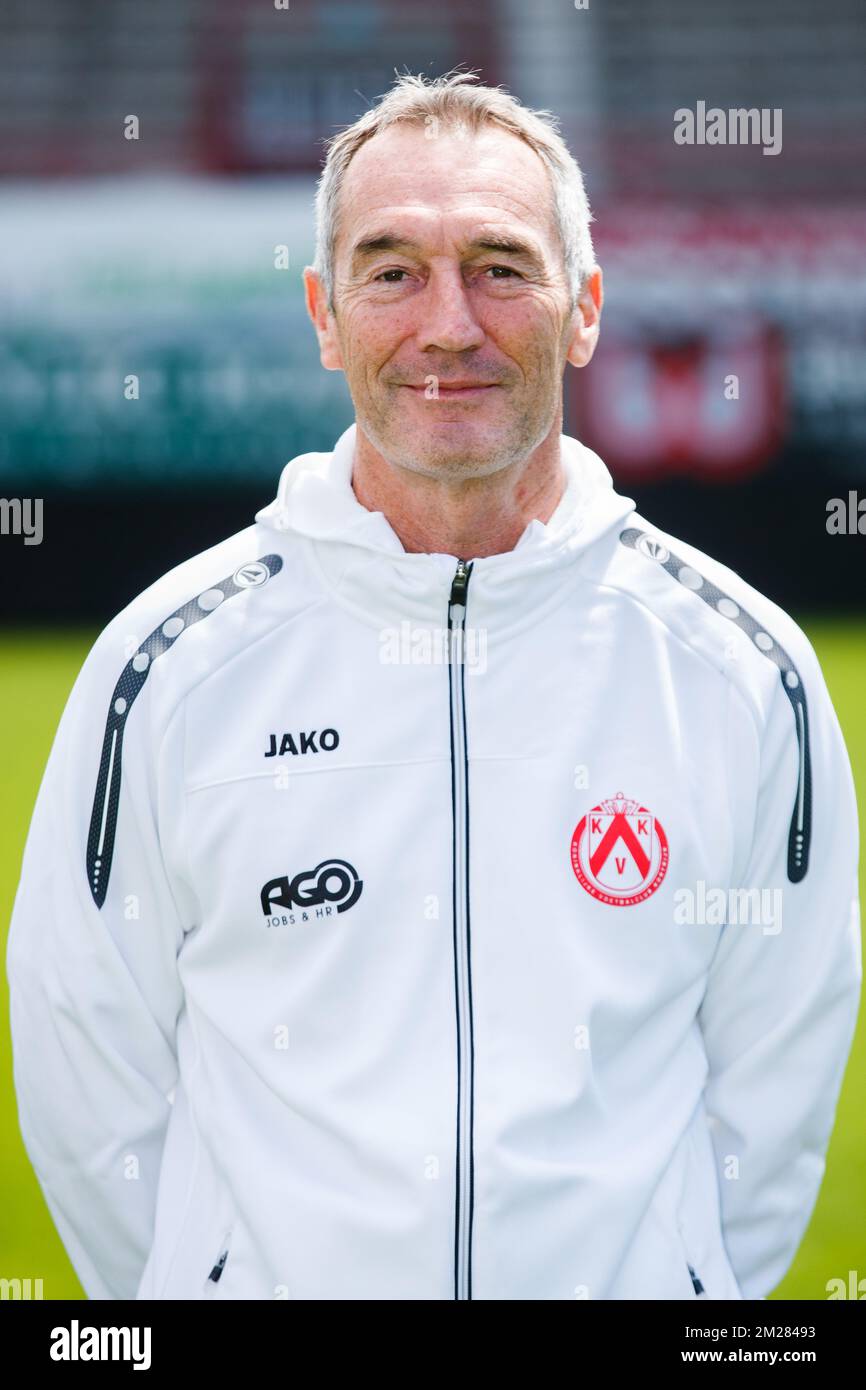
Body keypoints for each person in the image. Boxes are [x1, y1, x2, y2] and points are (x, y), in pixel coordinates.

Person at [6, 70, 861, 1302]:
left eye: (501, 267)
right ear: (323, 312)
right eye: (391, 268)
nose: (447, 325)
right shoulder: (168, 669)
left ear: (583, 310)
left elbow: (773, 1085)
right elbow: (87, 1062)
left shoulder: (740, 670)